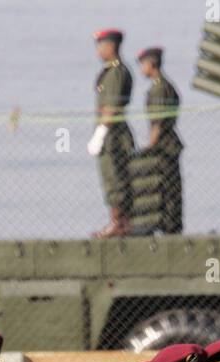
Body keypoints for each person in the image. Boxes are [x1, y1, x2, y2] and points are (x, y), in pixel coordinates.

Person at [91, 29, 135, 238]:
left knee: (115, 178)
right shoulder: (111, 71)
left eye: (100, 45)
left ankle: (119, 223)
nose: (98, 50)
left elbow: (112, 106)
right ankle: (118, 222)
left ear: (111, 46)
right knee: (111, 176)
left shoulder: (117, 72)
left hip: (113, 134)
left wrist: (100, 132)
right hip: (110, 132)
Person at [137, 46, 182, 234]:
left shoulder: (159, 89)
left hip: (164, 146)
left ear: (151, 64)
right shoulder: (166, 86)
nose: (141, 69)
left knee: (165, 189)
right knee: (171, 188)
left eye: (142, 65)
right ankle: (171, 226)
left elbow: (157, 122)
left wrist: (150, 146)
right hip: (169, 145)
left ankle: (169, 227)